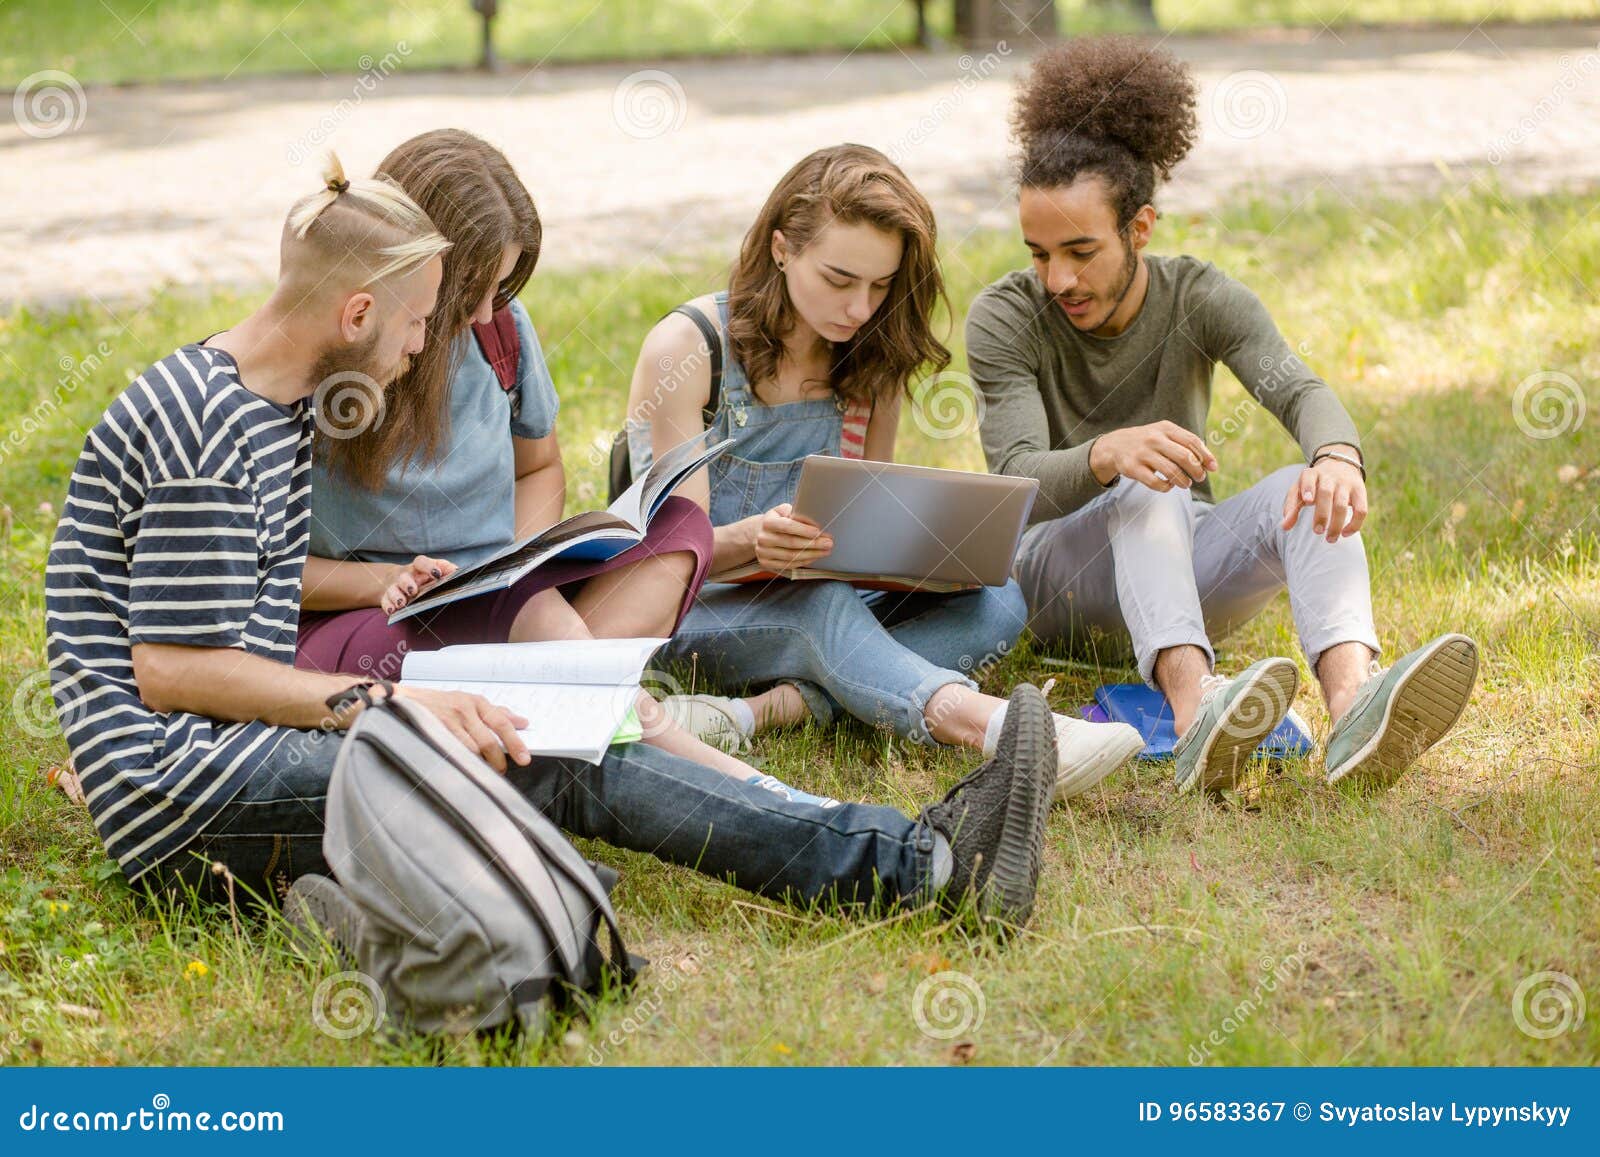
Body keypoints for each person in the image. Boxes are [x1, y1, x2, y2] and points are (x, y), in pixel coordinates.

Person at [43, 157, 1059, 931]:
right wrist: (400, 703)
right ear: (357, 310)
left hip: (242, 757)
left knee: (550, 721)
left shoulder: (272, 406)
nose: (431, 343)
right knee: (565, 748)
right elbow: (173, 669)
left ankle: (871, 854)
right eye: (418, 321)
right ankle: (919, 867)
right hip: (185, 796)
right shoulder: (208, 425)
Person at [966, 38, 1479, 794]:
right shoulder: (1005, 318)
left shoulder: (1200, 296)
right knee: (1149, 481)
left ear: (1140, 229)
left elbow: (1299, 390)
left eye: (1080, 250)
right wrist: (1110, 453)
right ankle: (1194, 708)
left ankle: (1356, 708)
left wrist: (1335, 456)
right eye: (1039, 253)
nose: (1058, 278)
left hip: (1178, 561)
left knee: (1301, 488)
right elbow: (1017, 484)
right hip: (1056, 578)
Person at [626, 144, 1143, 801]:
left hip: (813, 594)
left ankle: (763, 711)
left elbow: (855, 532)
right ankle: (997, 728)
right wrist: (756, 540)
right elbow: (672, 558)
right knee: (820, 603)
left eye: (879, 285)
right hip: (691, 612)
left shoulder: (870, 362)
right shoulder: (690, 349)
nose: (859, 308)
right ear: (781, 249)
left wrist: (922, 556)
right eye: (839, 279)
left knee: (997, 600)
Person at [293, 128, 784, 797]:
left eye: (501, 286)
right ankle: (721, 774)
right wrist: (398, 580)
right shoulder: (324, 365)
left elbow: (538, 468)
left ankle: (547, 691)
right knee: (521, 619)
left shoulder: (500, 332)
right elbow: (267, 577)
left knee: (680, 531)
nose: (486, 310)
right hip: (368, 623)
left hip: (497, 596)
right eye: (474, 286)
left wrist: (518, 559)